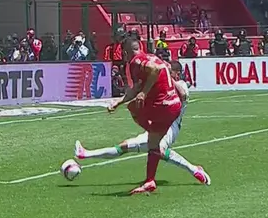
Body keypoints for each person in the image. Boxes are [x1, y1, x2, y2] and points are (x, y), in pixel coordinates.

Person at [75, 60, 211, 187]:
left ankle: (194, 170)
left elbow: (183, 95)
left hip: (171, 127)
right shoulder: (164, 85)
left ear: (176, 73)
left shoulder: (181, 84)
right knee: (124, 146)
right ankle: (85, 154)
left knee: (160, 150)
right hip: (159, 123)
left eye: (170, 72)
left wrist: (168, 77)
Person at [106, 40, 210, 194]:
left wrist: (144, 92)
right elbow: (138, 85)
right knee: (153, 145)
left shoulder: (136, 62)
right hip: (173, 108)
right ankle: (149, 181)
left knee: (133, 108)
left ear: (126, 52)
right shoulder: (151, 57)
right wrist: (119, 101)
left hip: (162, 107)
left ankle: (150, 130)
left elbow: (153, 72)